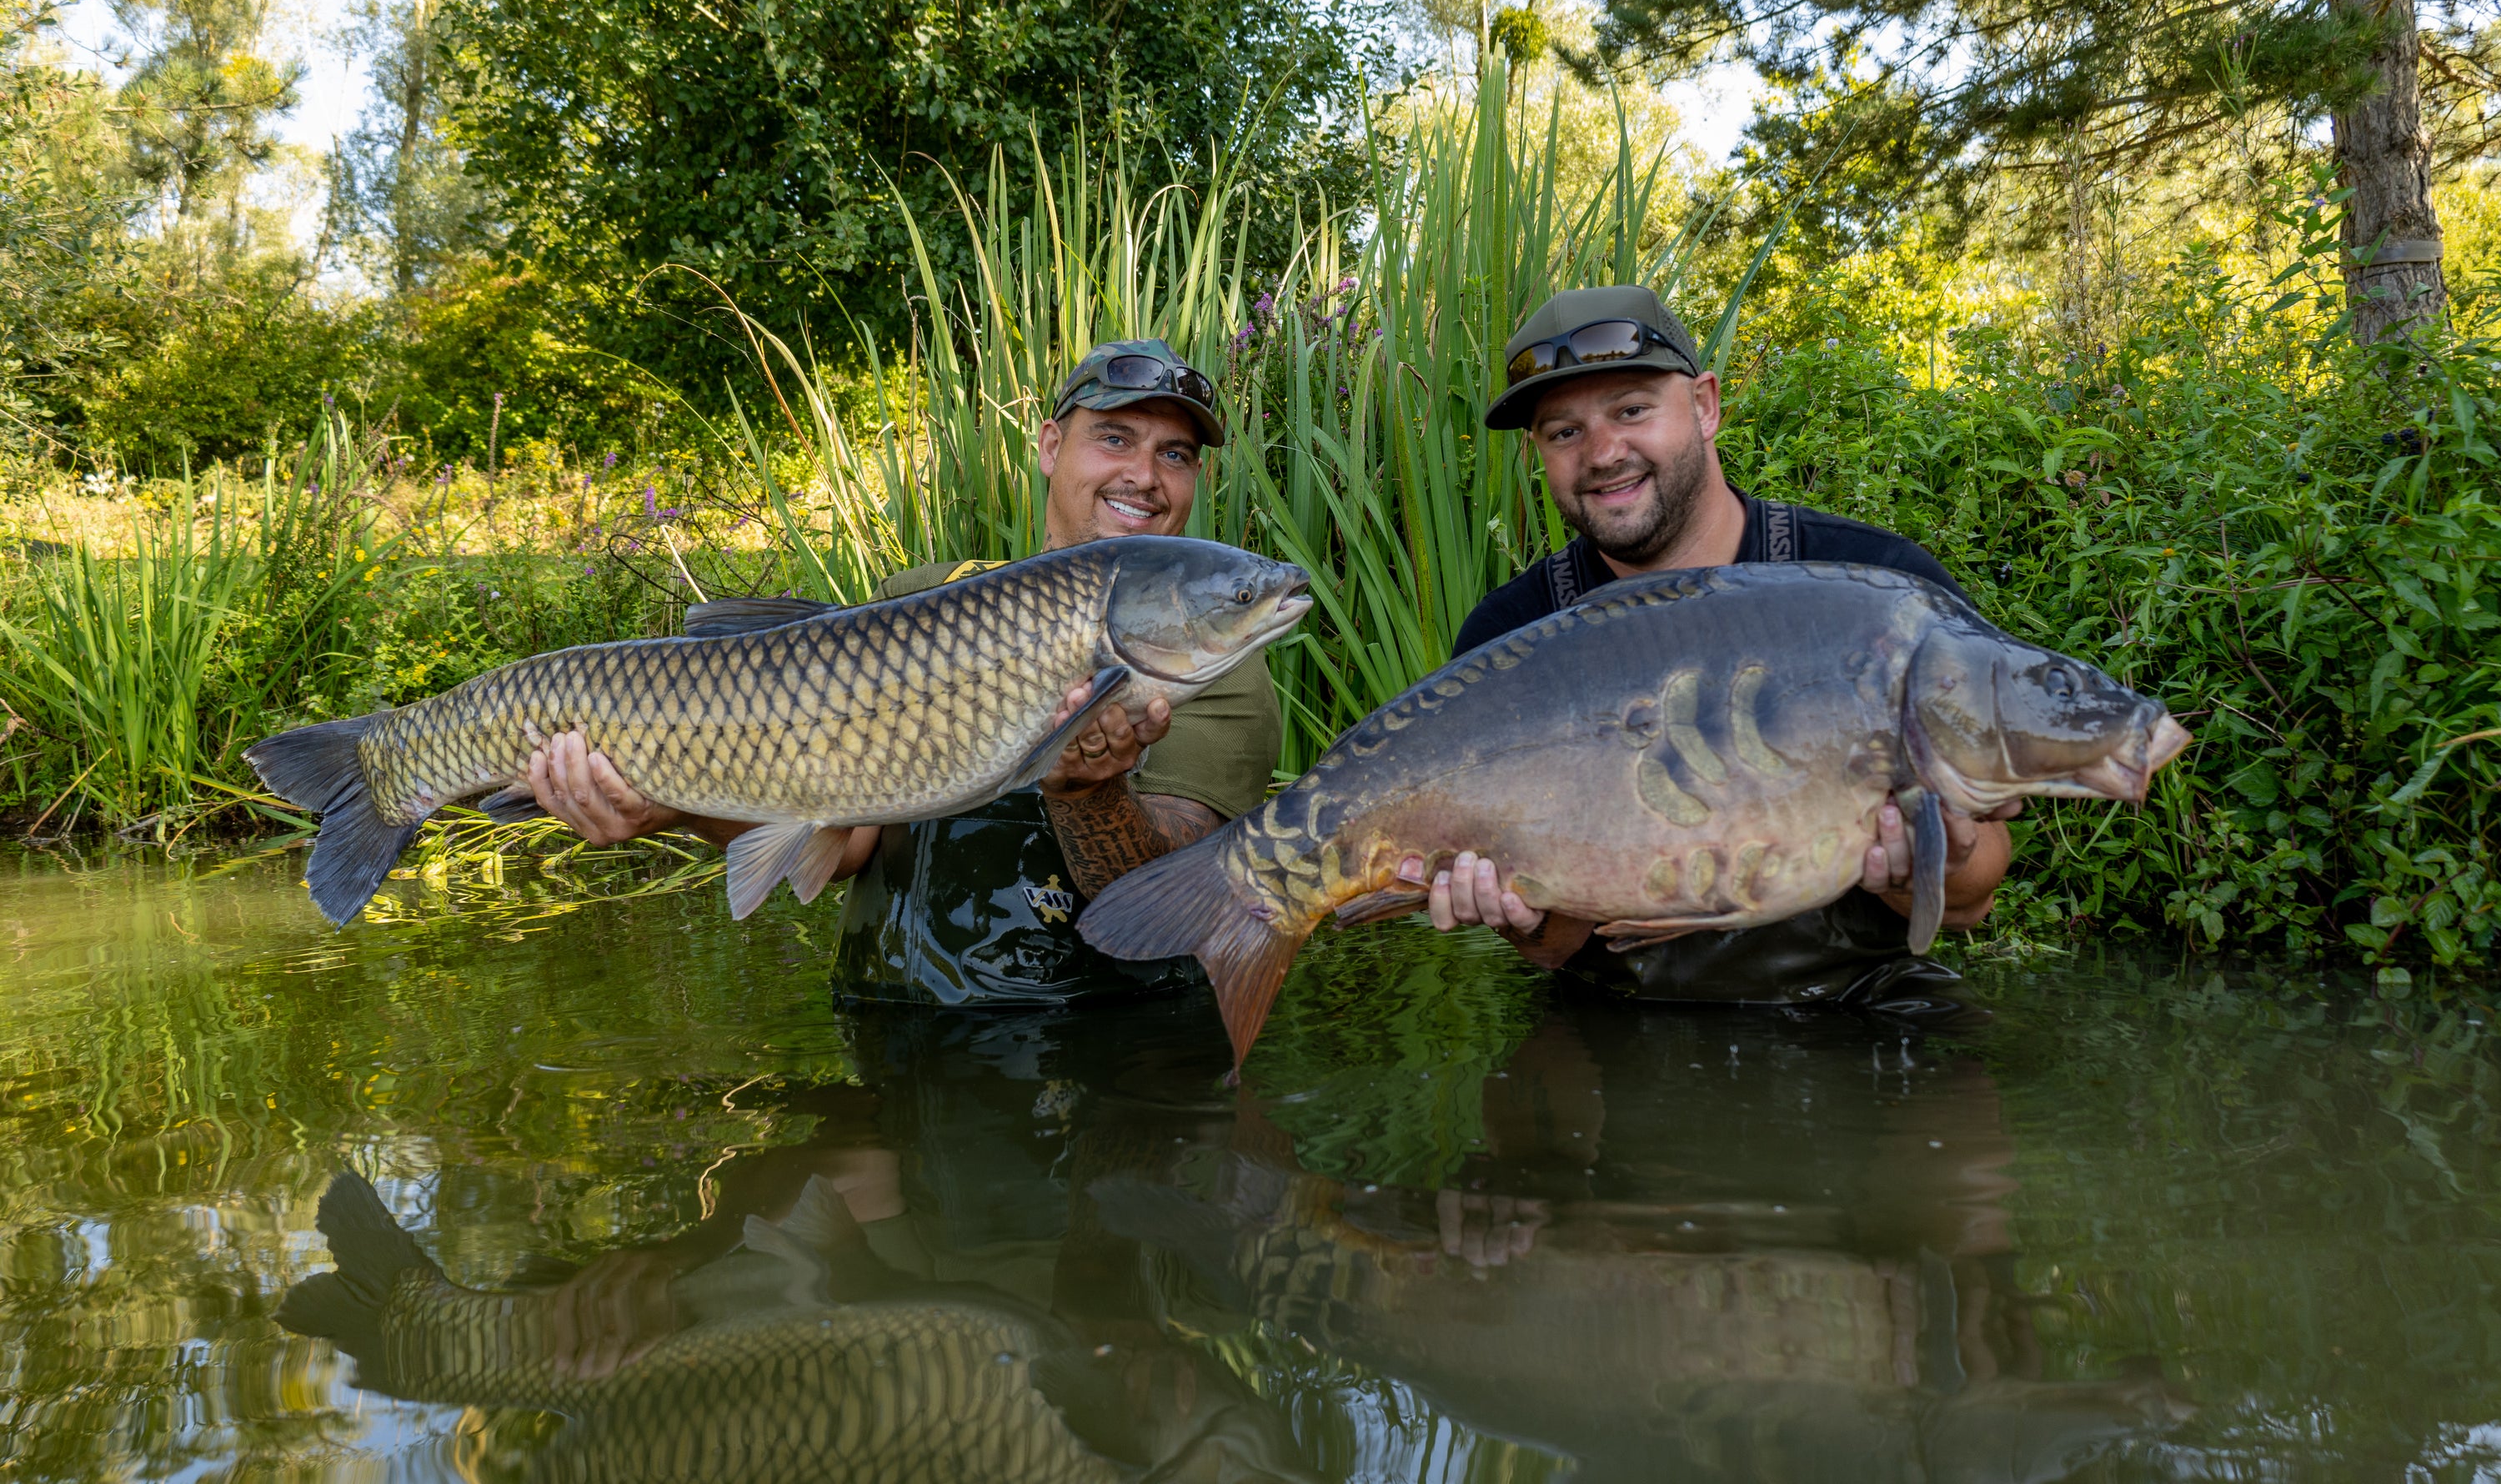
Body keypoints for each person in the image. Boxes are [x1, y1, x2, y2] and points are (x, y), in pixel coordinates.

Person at [522, 339, 1282, 1005]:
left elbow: (1175, 899)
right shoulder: (917, 602)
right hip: (895, 1012)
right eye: (1114, 437)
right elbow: (844, 843)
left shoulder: (1221, 666)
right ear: (1052, 446)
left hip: (1107, 1048)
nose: (1145, 475)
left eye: (1176, 455)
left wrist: (1090, 792)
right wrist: (676, 806)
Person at [1418, 284, 2018, 1017]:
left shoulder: (1878, 591)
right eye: (1563, 432)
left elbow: (1975, 896)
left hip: (1863, 999)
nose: (1604, 454)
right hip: (1620, 1010)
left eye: (1632, 410)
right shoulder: (1510, 638)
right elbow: (1550, 950)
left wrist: (1910, 868)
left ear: (1704, 406)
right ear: (1538, 451)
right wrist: (1525, 912)